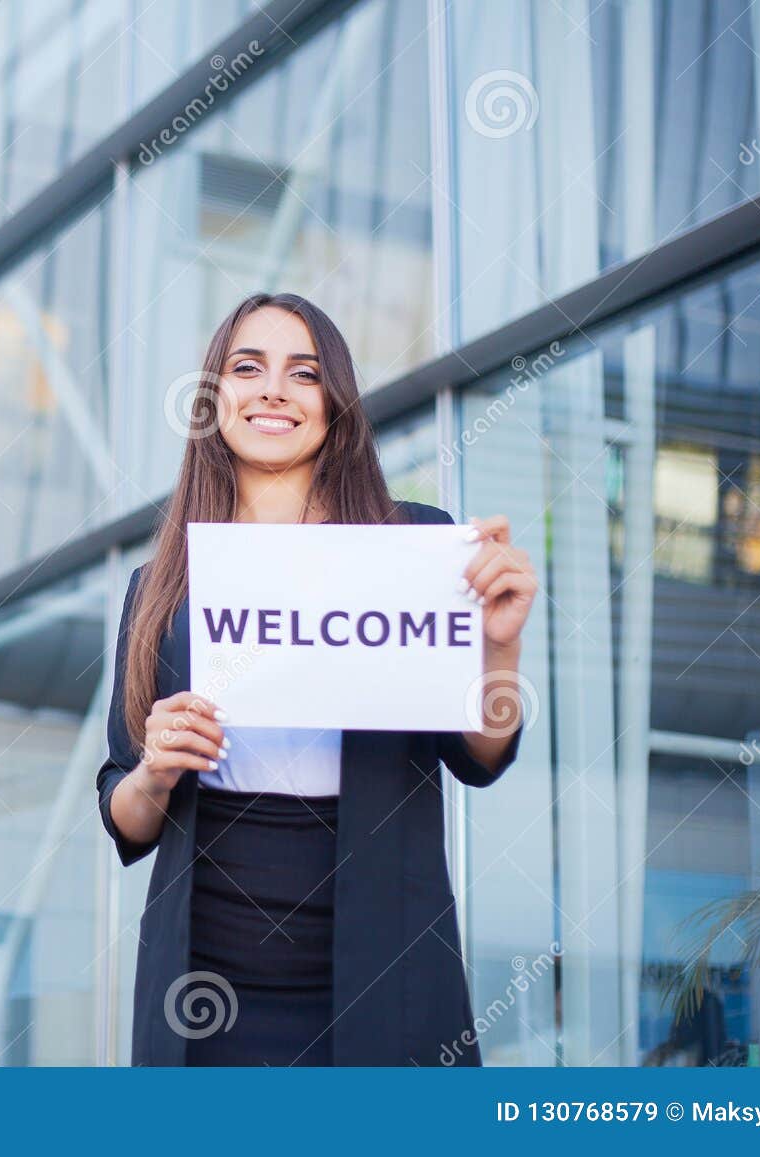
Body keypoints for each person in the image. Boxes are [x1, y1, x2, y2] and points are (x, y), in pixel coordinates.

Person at [95, 292, 538, 1066]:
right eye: (248, 367)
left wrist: (498, 654)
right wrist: (157, 771)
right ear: (214, 398)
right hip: (203, 990)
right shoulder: (159, 585)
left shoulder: (414, 546)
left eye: (304, 373)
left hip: (381, 975)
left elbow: (479, 755)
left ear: (334, 404)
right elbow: (124, 812)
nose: (273, 389)